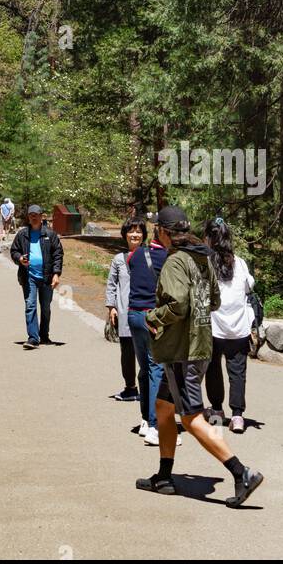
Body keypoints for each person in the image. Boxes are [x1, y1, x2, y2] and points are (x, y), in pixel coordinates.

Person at [138, 205, 263, 507]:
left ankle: (241, 471)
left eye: (158, 229)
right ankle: (164, 476)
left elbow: (178, 303)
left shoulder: (175, 262)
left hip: (183, 351)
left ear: (164, 233)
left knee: (192, 418)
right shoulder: (202, 257)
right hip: (200, 346)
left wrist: (153, 317)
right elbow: (215, 301)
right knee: (164, 408)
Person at [203, 217, 255, 434]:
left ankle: (216, 411)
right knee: (237, 372)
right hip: (239, 329)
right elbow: (249, 286)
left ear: (207, 238)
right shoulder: (240, 263)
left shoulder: (204, 263)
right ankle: (238, 416)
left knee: (212, 368)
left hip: (214, 328)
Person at [127, 220, 168, 445]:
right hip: (152, 317)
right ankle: (154, 425)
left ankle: (144, 419)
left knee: (144, 369)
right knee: (156, 370)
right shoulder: (168, 258)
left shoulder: (134, 255)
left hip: (133, 315)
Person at [10, 205, 63, 349]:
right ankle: (33, 337)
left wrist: (56, 274)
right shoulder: (22, 234)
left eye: (36, 214)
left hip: (46, 277)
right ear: (28, 217)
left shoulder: (50, 234)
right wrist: (20, 258)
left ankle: (44, 335)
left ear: (41, 217)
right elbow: (14, 250)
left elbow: (58, 254)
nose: (34, 217)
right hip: (29, 277)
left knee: (45, 307)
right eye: (31, 215)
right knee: (30, 305)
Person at [105, 219, 143, 402]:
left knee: (146, 354)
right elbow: (112, 284)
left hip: (145, 312)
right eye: (131, 231)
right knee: (127, 353)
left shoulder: (149, 257)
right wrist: (111, 307)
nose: (135, 234)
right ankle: (130, 388)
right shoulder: (118, 259)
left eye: (138, 231)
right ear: (124, 235)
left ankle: (148, 389)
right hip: (124, 311)